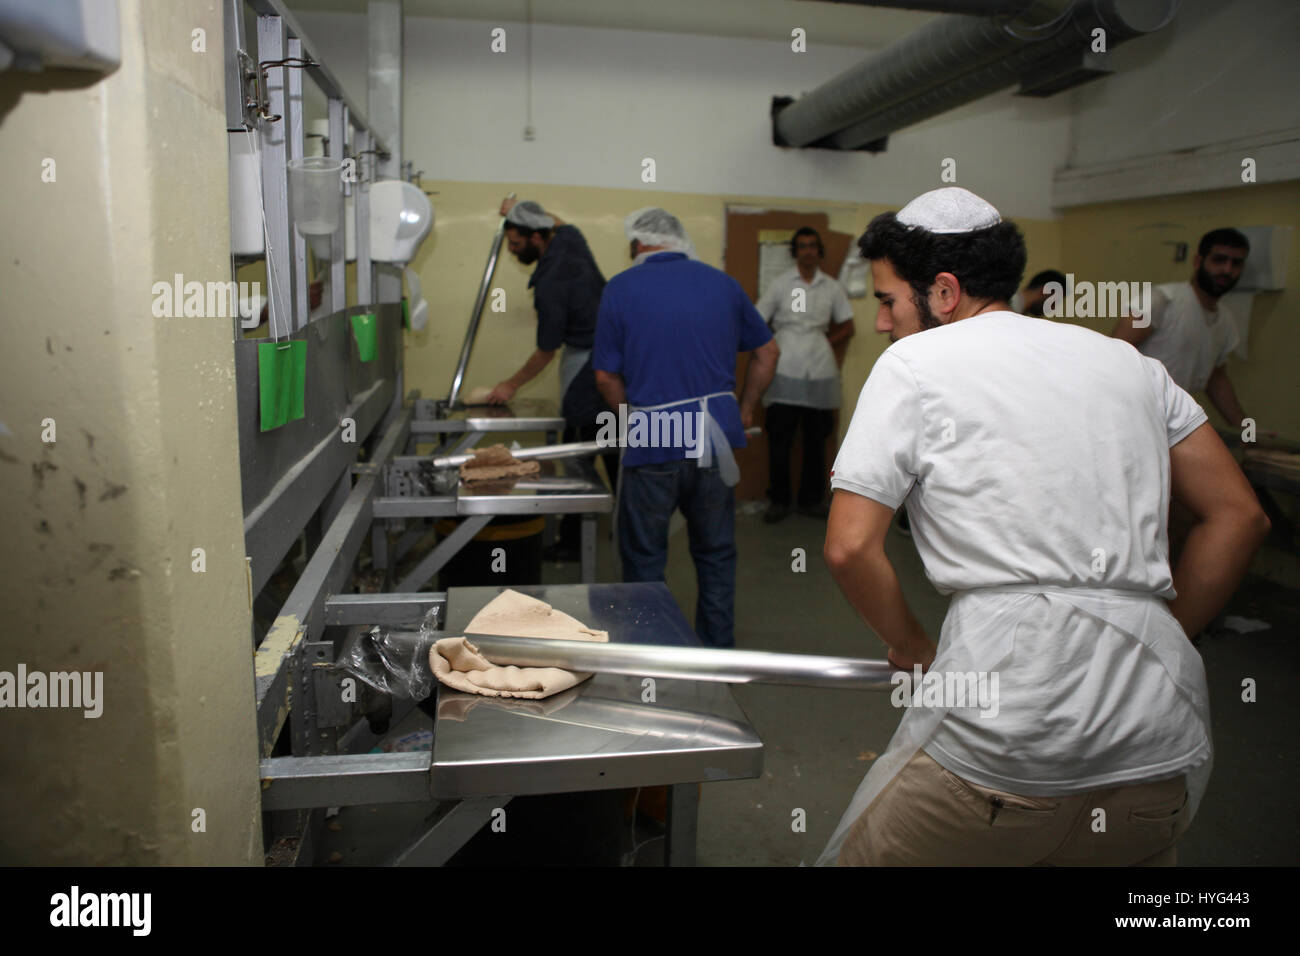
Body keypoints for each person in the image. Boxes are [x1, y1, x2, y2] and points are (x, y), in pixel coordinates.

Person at [818, 186, 1269, 866]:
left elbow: (851, 546)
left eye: (886, 300)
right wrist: (1161, 632)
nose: (881, 323)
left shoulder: (914, 365)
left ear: (943, 292)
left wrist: (913, 647)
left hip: (1005, 747)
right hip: (1152, 744)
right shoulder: (1131, 367)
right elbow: (1240, 516)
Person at [592, 208, 780, 648]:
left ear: (639, 244)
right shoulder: (723, 284)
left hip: (654, 439)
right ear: (679, 241)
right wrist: (747, 408)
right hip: (715, 437)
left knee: (644, 558)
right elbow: (768, 352)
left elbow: (605, 377)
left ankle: (650, 655)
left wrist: (629, 423)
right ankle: (716, 655)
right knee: (715, 555)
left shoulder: (620, 288)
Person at [490, 197, 616, 561]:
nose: (513, 251)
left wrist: (509, 385)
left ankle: (574, 544)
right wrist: (516, 212)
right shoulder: (568, 238)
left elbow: (546, 350)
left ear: (536, 237)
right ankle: (616, 532)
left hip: (591, 375)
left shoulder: (550, 284)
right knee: (612, 453)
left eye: (516, 244)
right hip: (614, 361)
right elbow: (557, 220)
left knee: (577, 458)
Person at [755, 227, 855, 523]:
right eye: (802, 246)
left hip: (819, 368)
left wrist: (823, 342)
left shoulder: (832, 287)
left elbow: (847, 326)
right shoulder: (780, 284)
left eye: (813, 246)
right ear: (794, 252)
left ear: (819, 251)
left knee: (816, 440)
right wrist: (775, 346)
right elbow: (757, 319)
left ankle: (812, 500)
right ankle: (779, 500)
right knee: (780, 439)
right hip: (784, 366)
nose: (808, 251)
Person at [1111, 228, 1251, 428]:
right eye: (1219, 260)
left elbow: (1216, 380)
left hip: (1172, 422)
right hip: (1133, 416)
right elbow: (1114, 356)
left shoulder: (1226, 321)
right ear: (1198, 261)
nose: (1227, 270)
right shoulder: (1160, 301)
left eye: (1235, 263)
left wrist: (1246, 430)